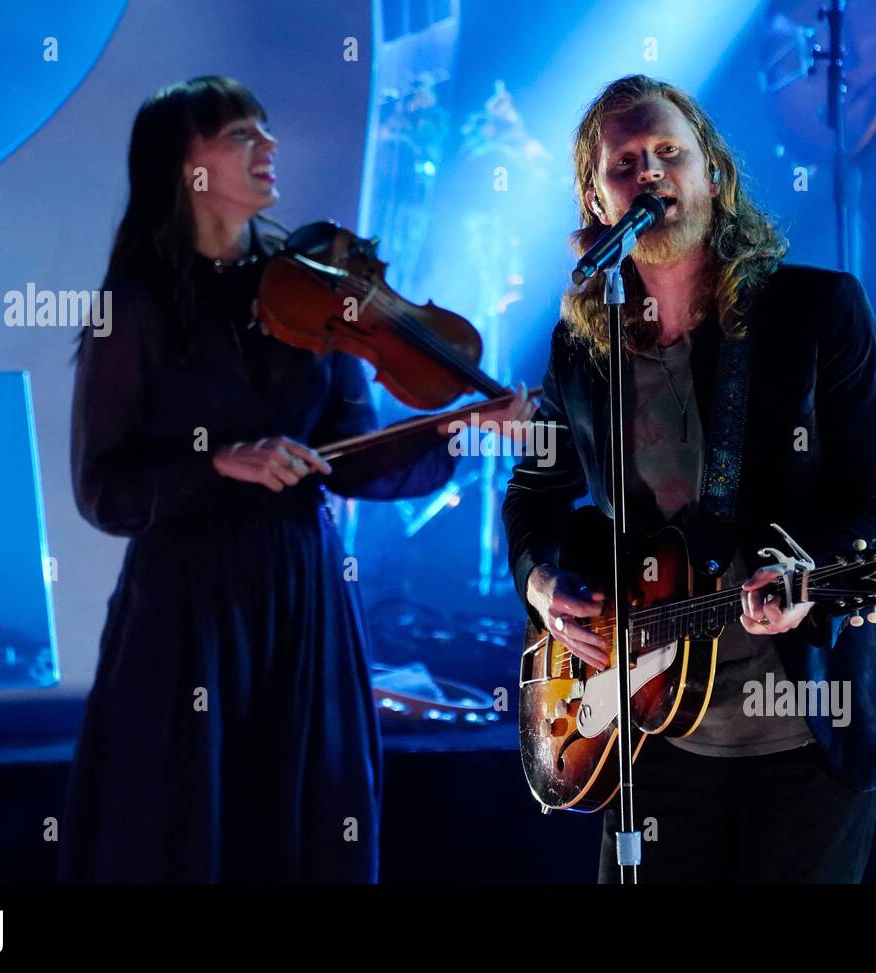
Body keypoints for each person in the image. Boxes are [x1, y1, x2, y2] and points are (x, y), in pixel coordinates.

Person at [59, 76, 533, 883]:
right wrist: (216, 462)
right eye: (241, 133)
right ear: (186, 166)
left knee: (310, 819)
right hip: (189, 606)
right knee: (184, 822)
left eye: (265, 127)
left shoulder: (312, 289)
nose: (268, 147)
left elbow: (351, 457)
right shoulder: (134, 308)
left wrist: (457, 422)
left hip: (303, 589)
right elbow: (102, 487)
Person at [502, 75, 876, 883]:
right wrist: (540, 585)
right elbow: (533, 491)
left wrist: (807, 572)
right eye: (626, 163)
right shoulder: (580, 348)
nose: (652, 174)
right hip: (651, 732)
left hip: (809, 730)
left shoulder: (817, 311)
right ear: (597, 202)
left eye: (671, 153)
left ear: (714, 175)